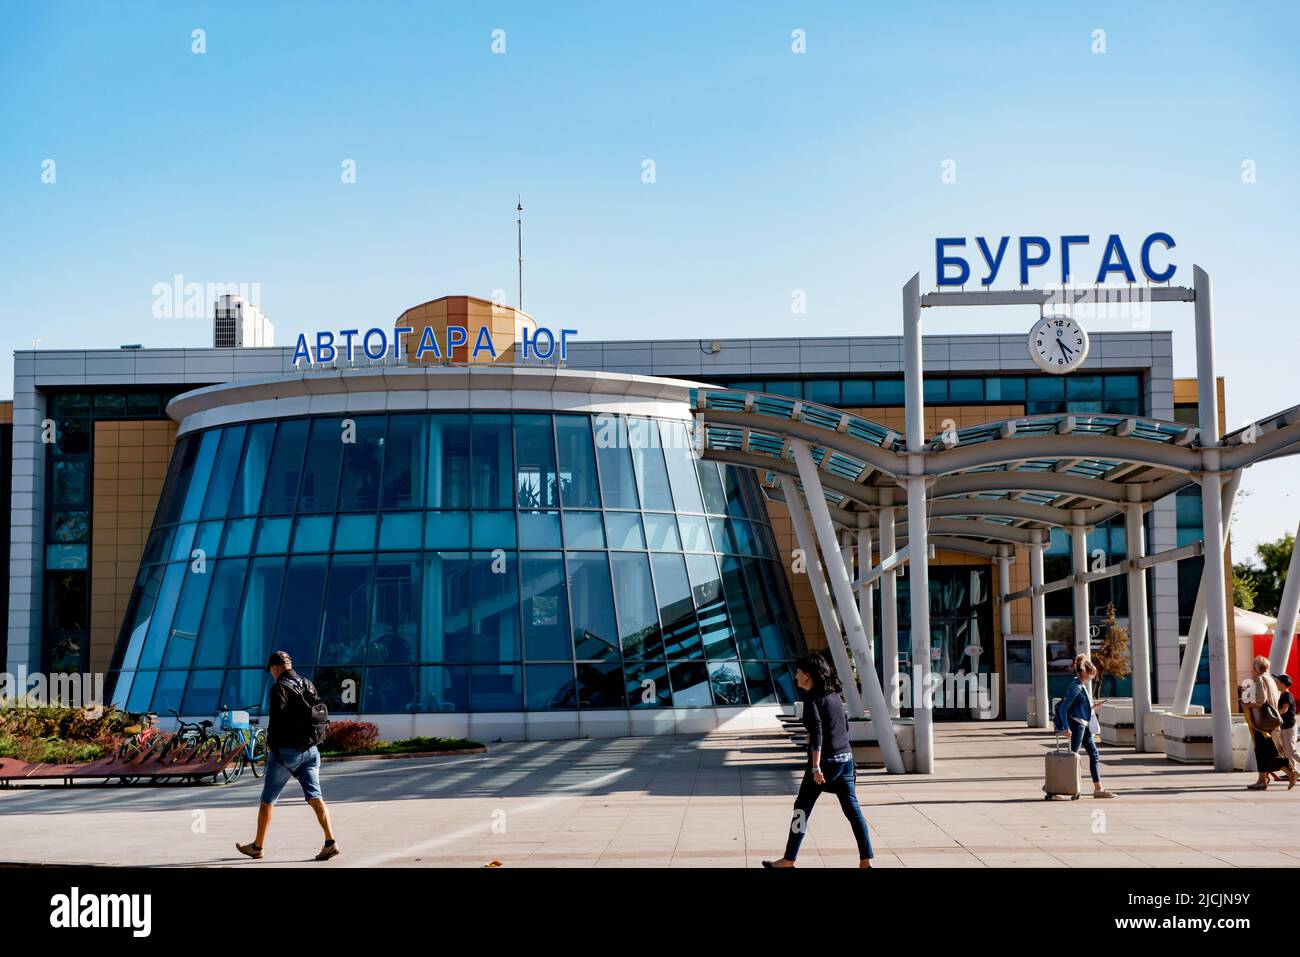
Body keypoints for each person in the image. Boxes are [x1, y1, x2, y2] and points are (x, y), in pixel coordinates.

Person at [763, 653, 874, 869]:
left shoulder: (812, 698)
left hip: (827, 763)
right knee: (853, 810)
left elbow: (818, 733)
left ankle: (789, 859)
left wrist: (815, 766)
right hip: (846, 760)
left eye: (798, 672)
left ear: (808, 675)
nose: (795, 676)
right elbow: (843, 727)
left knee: (801, 808)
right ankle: (865, 860)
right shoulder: (834, 696)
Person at [237, 652, 339, 860]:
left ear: (275, 668)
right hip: (311, 750)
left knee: (268, 799)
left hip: (287, 752)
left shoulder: (279, 687)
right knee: (316, 797)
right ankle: (330, 841)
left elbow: (277, 721)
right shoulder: (307, 683)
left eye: (271, 671)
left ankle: (257, 847)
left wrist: (271, 747)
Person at [1053, 655, 1115, 799]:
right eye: (1091, 674)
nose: (1092, 677)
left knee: (1093, 754)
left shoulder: (1080, 686)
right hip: (1077, 725)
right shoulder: (1076, 687)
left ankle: (1098, 789)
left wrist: (1093, 706)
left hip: (1084, 724)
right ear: (1085, 673)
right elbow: (1063, 709)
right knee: (1072, 757)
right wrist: (1066, 728)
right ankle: (1058, 789)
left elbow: (1078, 707)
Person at [1242, 655, 1297, 791]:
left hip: (1262, 723)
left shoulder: (1260, 679)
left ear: (1255, 669)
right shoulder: (1271, 680)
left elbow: (1261, 700)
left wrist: (1248, 704)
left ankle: (1290, 772)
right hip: (1271, 722)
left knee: (1266, 752)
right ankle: (1261, 780)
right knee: (1261, 752)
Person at [1277, 673, 1299, 772]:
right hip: (1284, 727)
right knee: (1286, 752)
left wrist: (1274, 714)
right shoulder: (1282, 695)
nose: (1276, 683)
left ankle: (1293, 771)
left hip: (1289, 727)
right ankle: (1293, 772)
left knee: (1291, 751)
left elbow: (1284, 709)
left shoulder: (1287, 695)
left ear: (1283, 684)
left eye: (1278, 682)